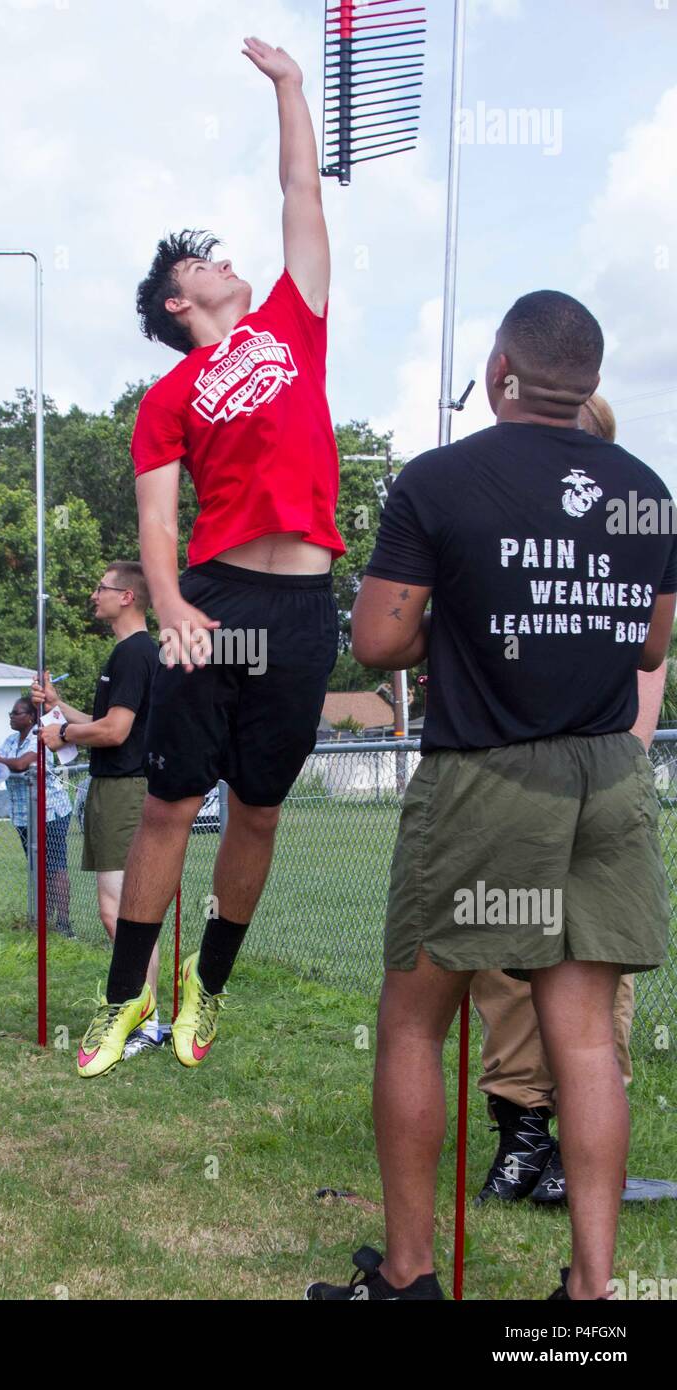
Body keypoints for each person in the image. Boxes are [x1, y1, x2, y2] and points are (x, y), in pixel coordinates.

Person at [307, 292, 677, 1301]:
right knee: (589, 1036)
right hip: (606, 777)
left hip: (489, 777)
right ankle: (590, 1295)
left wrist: (476, 620)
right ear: (591, 381)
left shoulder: (438, 481)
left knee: (416, 1022)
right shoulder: (646, 489)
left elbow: (379, 641)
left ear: (499, 366)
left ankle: (409, 1276)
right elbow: (648, 643)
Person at [74, 36, 343, 1078]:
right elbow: (154, 517)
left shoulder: (292, 319)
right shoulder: (168, 397)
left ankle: (207, 983)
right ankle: (119, 1000)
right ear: (180, 304)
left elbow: (298, 185)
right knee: (171, 801)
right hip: (218, 597)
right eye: (203, 265)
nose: (226, 262)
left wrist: (288, 86)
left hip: (305, 604)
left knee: (262, 806)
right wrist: (176, 603)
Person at [471, 394, 667, 1206]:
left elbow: (648, 669)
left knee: (592, 967)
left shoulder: (628, 544)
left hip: (599, 775)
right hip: (506, 777)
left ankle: (581, 1156)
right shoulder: (506, 545)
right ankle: (521, 1143)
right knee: (501, 956)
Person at [34, 562, 162, 1058]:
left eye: (102, 588)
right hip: (119, 789)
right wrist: (60, 707)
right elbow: (105, 721)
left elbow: (114, 732)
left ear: (127, 597)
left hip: (124, 791)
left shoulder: (132, 654)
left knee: (122, 913)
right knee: (131, 912)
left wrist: (62, 734)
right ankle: (143, 1015)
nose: (94, 595)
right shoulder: (132, 652)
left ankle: (141, 1018)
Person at [0, 696, 74, 937]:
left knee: (54, 866)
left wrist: (0, 762)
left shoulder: (40, 736)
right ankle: (44, 920)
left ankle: (63, 923)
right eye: (11, 713)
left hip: (49, 811)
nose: (11, 716)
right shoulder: (11, 740)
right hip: (24, 815)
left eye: (16, 713)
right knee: (37, 867)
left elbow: (23, 764)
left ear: (31, 717)